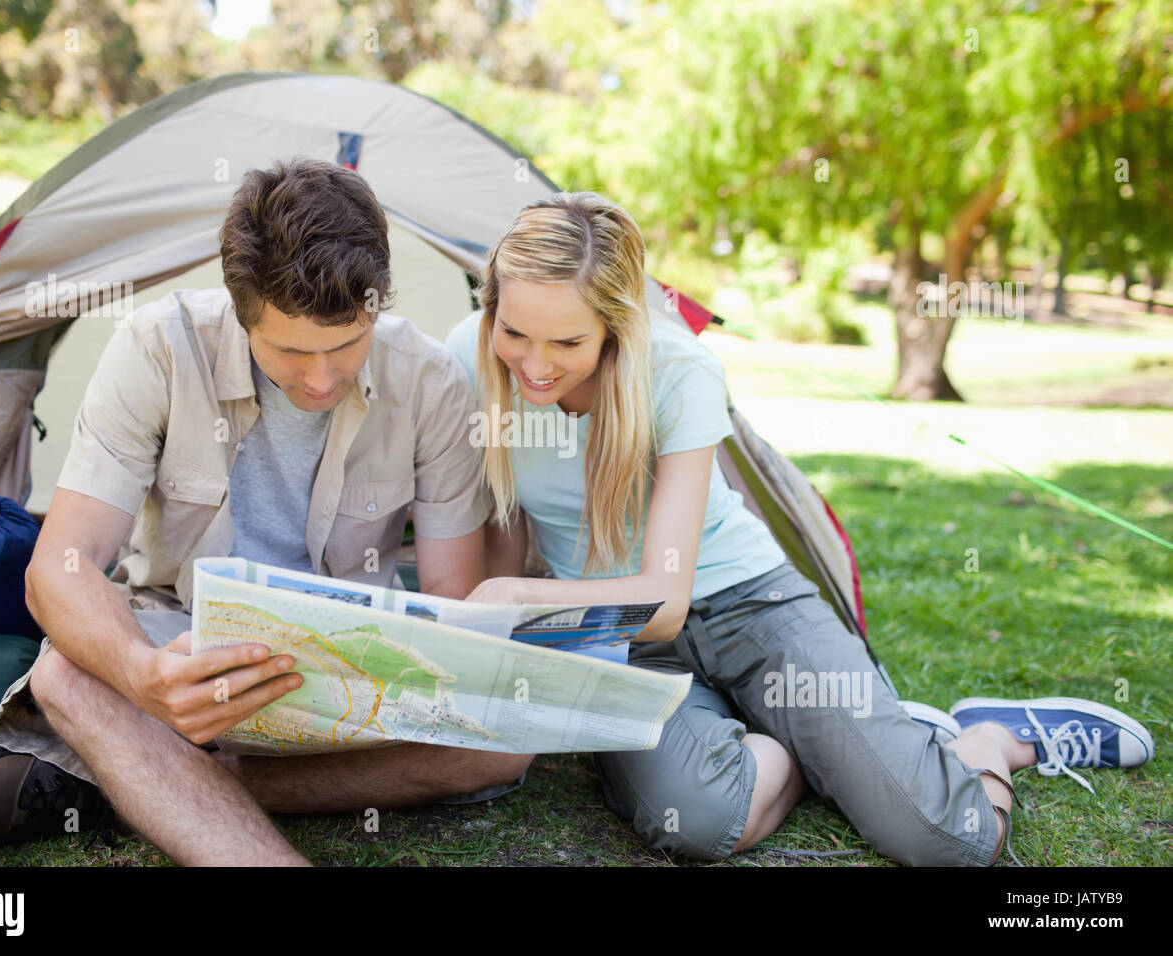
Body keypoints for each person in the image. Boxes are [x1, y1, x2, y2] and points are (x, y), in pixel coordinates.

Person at [446, 191, 1155, 865]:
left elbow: (665, 600)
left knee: (951, 840)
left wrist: (514, 597)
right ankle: (801, 743)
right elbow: (505, 523)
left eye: (566, 342)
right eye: (513, 332)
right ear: (491, 306)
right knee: (692, 819)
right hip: (614, 636)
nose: (534, 366)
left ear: (616, 326)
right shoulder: (470, 360)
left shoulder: (678, 370)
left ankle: (993, 740)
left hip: (747, 602)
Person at [0, 158, 533, 866]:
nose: (320, 377)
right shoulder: (157, 348)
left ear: (378, 304)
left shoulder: (429, 380)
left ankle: (145, 779)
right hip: (181, 645)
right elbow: (56, 570)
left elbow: (450, 600)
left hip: (350, 662)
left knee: (507, 742)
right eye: (290, 350)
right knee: (66, 675)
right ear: (241, 311)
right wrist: (141, 674)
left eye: (346, 346)